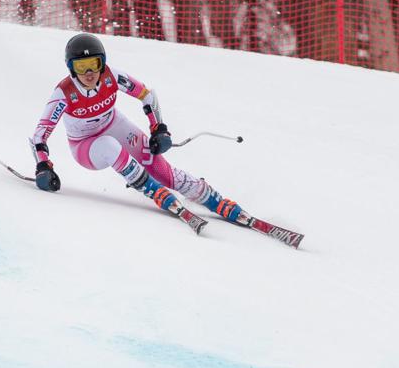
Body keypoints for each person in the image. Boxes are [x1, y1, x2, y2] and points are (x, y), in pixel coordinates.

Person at [30, 32, 251, 226]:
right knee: (110, 146)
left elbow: (147, 95)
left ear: (103, 63)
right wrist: (43, 166)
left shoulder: (112, 77)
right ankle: (155, 192)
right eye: (81, 66)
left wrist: (159, 129)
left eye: (95, 64)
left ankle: (214, 199)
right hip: (85, 146)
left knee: (161, 168)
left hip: (113, 125)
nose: (89, 72)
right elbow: (40, 135)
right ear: (71, 68)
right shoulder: (63, 94)